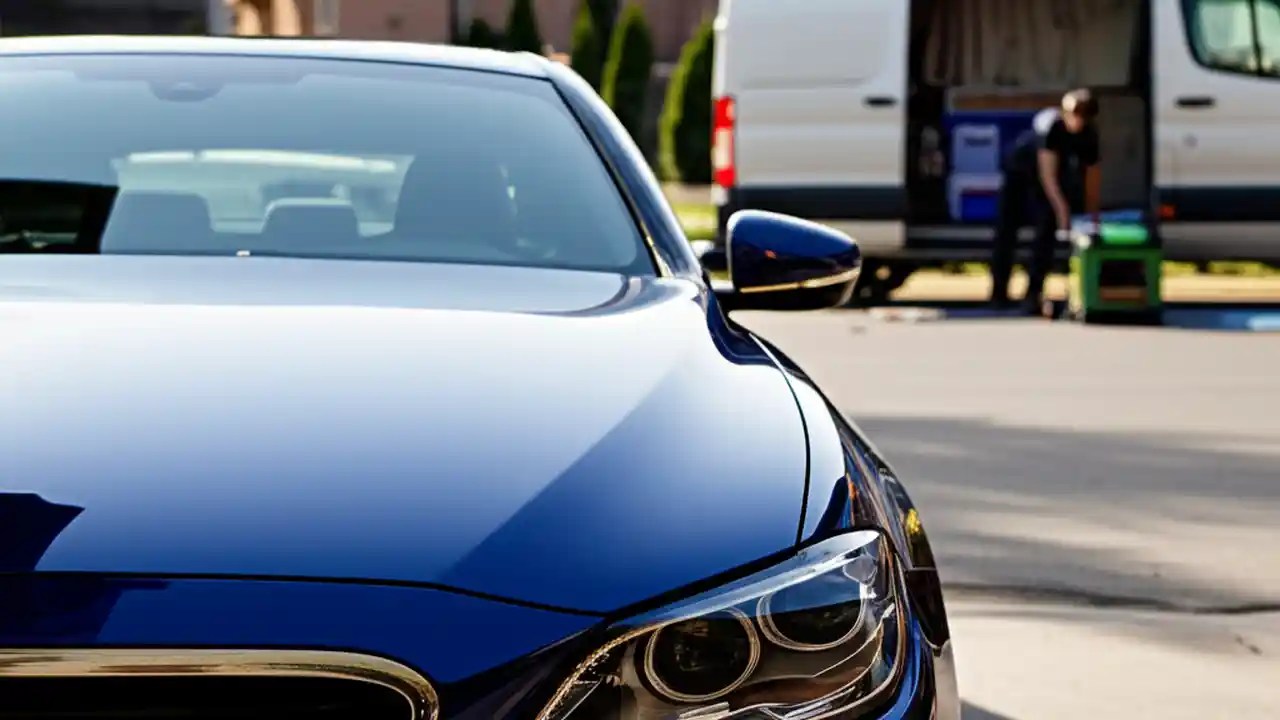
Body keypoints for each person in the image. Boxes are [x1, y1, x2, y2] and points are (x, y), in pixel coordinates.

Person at [991, 89, 1102, 313]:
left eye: (1083, 116)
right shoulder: (1051, 127)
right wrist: (1063, 211)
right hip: (1021, 174)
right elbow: (1047, 175)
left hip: (1052, 177)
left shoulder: (1089, 135)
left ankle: (1033, 293)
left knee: (1045, 236)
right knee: (1007, 230)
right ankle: (999, 293)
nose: (1078, 120)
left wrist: (1092, 214)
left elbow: (1092, 176)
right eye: (1074, 114)